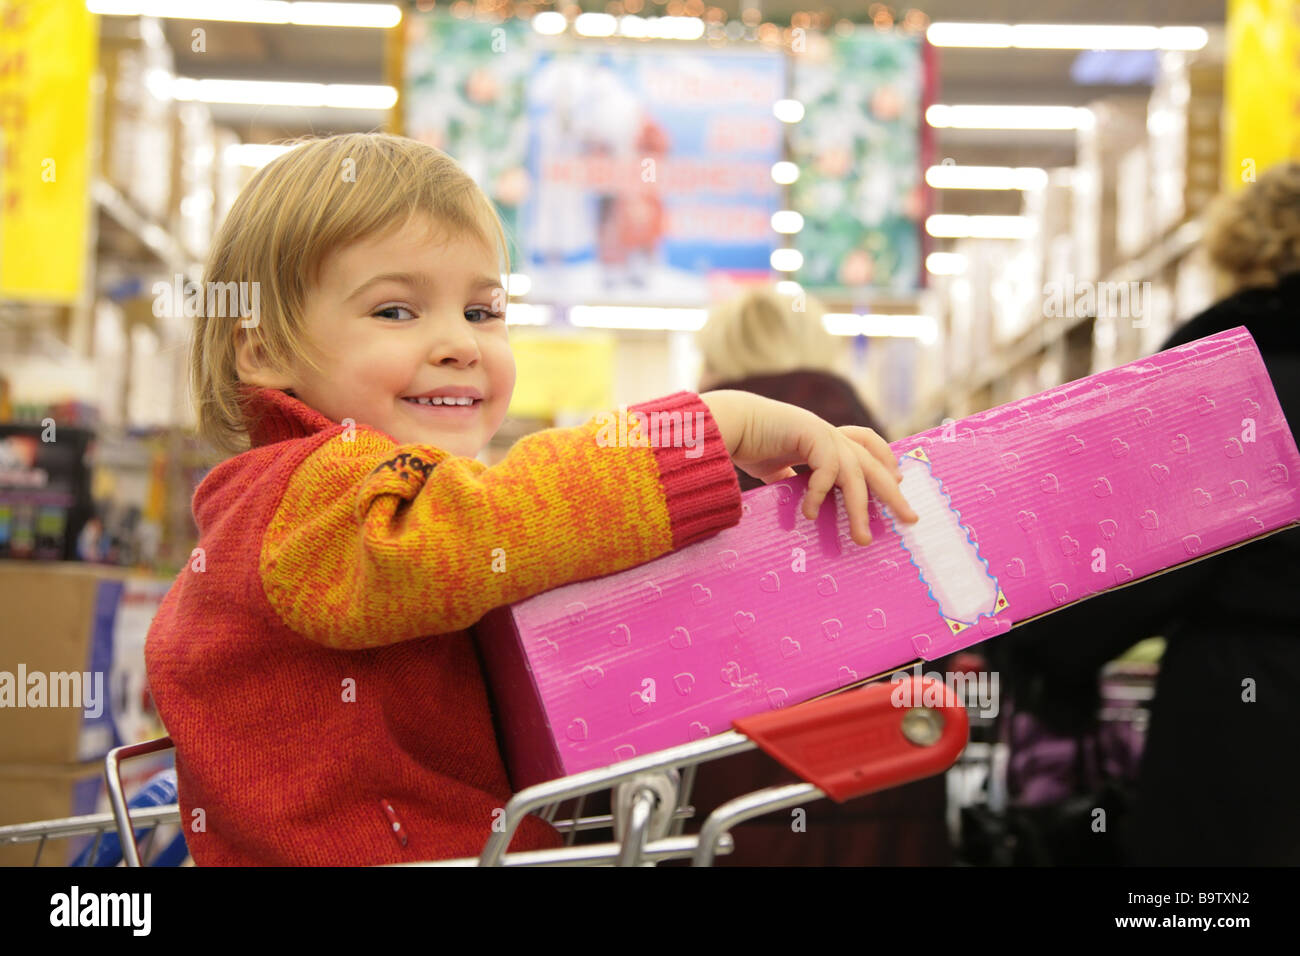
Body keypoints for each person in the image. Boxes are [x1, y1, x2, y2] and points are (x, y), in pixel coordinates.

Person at [143, 133, 918, 866]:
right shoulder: (308, 490)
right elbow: (466, 530)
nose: (460, 342)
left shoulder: (311, 499)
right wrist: (713, 426)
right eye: (395, 310)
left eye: (482, 311)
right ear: (264, 349)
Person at [1005, 161, 1300, 865]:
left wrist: (1050, 657)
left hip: (1243, 697)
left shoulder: (1225, 373)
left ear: (1243, 253)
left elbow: (1147, 552)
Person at [685, 286, 955, 867]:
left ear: (714, 361)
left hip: (719, 798)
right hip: (884, 782)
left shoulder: (687, 458)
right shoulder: (893, 460)